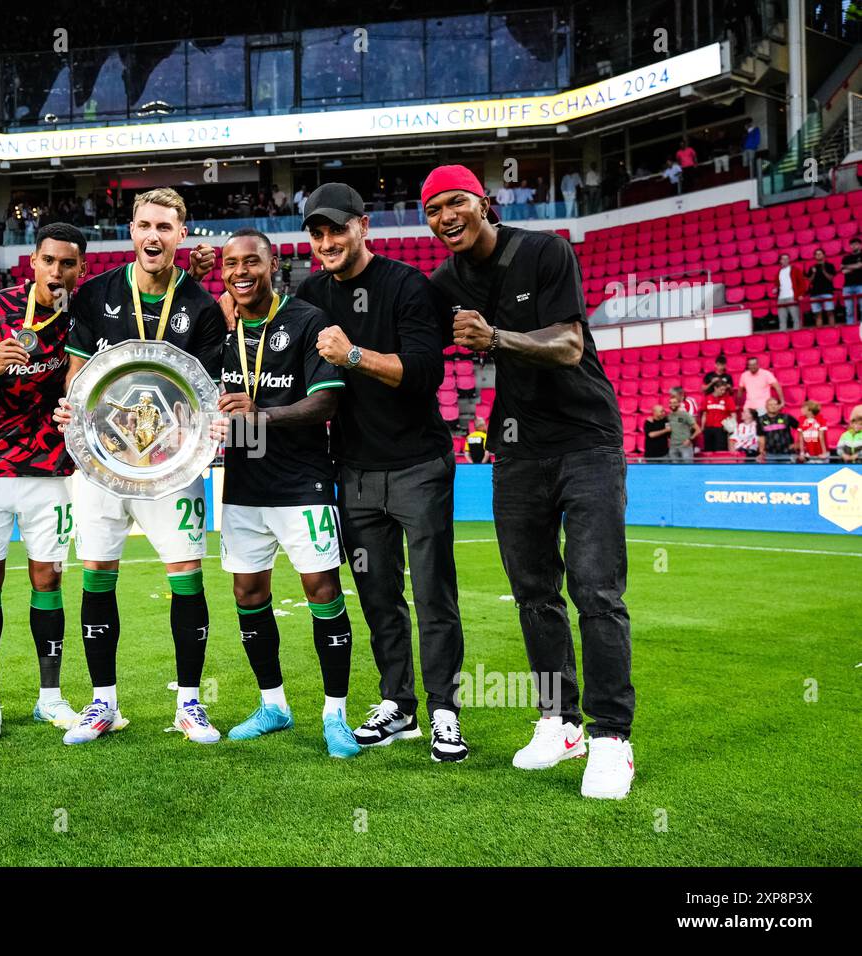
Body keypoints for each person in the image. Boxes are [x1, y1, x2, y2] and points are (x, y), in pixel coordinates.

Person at [426, 164, 635, 799]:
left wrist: (496, 338)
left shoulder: (544, 251)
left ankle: (610, 739)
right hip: (518, 450)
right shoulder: (443, 282)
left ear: (484, 203)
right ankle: (560, 721)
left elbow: (570, 344)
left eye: (456, 202)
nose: (446, 217)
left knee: (596, 592)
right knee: (534, 594)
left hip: (586, 439)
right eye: (433, 210)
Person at [248, 181, 466, 760]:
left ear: (362, 226)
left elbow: (424, 373)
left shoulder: (407, 286)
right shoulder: (311, 292)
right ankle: (398, 704)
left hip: (419, 464)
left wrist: (351, 356)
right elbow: (251, 314)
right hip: (352, 471)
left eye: (336, 230)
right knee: (377, 593)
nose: (326, 242)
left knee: (432, 592)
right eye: (316, 233)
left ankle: (445, 708)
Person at [52, 188, 223, 745]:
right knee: (98, 575)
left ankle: (191, 704)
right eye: (145, 225)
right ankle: (103, 703)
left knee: (187, 578)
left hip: (173, 469)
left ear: (181, 233)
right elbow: (76, 378)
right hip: (102, 465)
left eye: (165, 227)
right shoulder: (97, 293)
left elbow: (205, 392)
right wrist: (68, 409)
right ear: (130, 230)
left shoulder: (200, 306)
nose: (154, 236)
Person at [208, 229, 358, 759]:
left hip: (302, 484)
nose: (241, 272)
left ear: (273, 264)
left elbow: (325, 405)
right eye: (231, 263)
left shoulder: (306, 320)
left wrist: (260, 414)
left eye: (252, 261)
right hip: (243, 487)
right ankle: (274, 705)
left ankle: (335, 713)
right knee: (248, 595)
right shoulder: (217, 329)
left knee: (322, 590)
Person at [0, 222, 90, 741]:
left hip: (51, 469)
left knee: (47, 579)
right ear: (33, 261)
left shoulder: (84, 316)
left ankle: (49, 698)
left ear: (80, 268)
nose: (57, 271)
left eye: (68, 263)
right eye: (49, 260)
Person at [771, 252, 807, 331]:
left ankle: (797, 334)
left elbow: (802, 283)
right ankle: (782, 336)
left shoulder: (795, 270)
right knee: (782, 319)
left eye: (787, 258)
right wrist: (775, 289)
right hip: (781, 298)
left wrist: (801, 294)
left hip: (792, 296)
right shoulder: (778, 272)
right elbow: (777, 285)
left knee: (795, 318)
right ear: (780, 261)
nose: (785, 260)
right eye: (783, 259)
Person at [757, 398, 799, 463]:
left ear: (778, 406)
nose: (773, 406)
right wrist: (761, 450)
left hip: (787, 452)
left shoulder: (786, 417)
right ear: (766, 407)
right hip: (770, 454)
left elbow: (801, 429)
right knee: (772, 473)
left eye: (775, 404)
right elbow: (761, 436)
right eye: (770, 405)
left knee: (788, 472)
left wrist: (797, 443)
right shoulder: (760, 420)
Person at [701, 381, 737, 453]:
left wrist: (732, 428)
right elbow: (704, 414)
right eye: (721, 389)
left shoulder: (728, 399)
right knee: (708, 451)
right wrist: (702, 427)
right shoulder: (707, 398)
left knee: (721, 451)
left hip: (721, 429)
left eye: (724, 390)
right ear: (715, 388)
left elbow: (733, 415)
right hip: (708, 428)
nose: (723, 392)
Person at [805, 249, 837, 326]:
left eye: (820, 254)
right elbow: (810, 280)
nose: (818, 255)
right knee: (817, 315)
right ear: (815, 256)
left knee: (830, 312)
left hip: (827, 292)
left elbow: (831, 278)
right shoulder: (812, 267)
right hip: (815, 293)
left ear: (824, 255)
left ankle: (832, 331)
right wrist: (813, 273)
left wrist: (823, 270)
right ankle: (820, 333)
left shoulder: (830, 265)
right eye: (816, 254)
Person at [666, 392, 700, 461]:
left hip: (685, 446)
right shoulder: (668, 417)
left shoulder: (685, 415)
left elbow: (698, 430)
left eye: (675, 402)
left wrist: (689, 439)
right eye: (671, 403)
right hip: (673, 447)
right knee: (674, 470)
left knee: (687, 469)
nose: (672, 404)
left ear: (679, 404)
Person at [841, 237, 862, 325]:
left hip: (861, 284)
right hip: (847, 286)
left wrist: (847, 267)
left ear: (860, 245)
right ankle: (850, 327)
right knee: (849, 310)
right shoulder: (846, 258)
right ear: (850, 246)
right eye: (852, 244)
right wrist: (856, 266)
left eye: (856, 244)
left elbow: (860, 266)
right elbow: (843, 271)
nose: (854, 246)